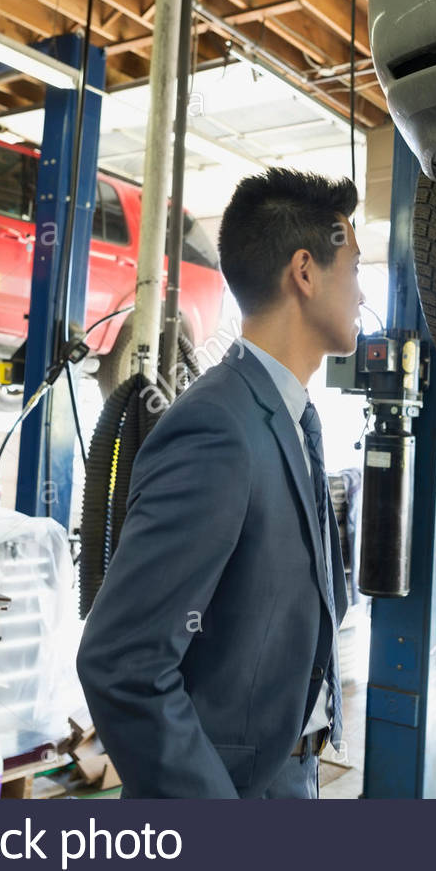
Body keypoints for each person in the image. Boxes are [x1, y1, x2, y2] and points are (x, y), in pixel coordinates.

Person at [76, 168, 363, 798]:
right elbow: (123, 662)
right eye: (355, 269)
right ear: (306, 272)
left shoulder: (289, 418)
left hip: (290, 772)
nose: (361, 295)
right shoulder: (217, 426)